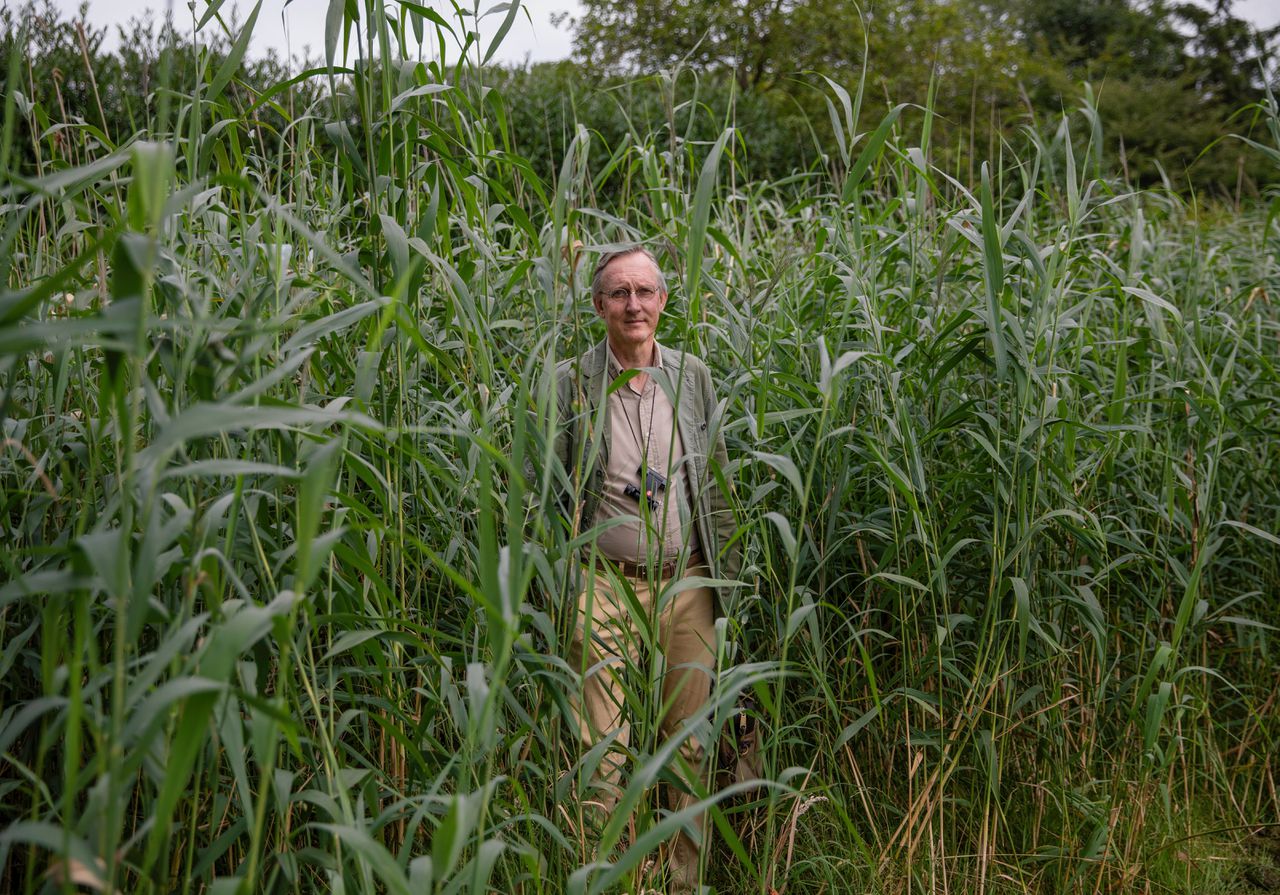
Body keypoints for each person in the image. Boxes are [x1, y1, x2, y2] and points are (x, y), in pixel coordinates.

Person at [549, 245, 741, 893]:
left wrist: (729, 586)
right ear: (599, 305)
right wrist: (560, 581)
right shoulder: (569, 381)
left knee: (688, 745)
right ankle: (603, 880)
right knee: (598, 749)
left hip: (687, 582)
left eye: (646, 291)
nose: (634, 304)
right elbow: (547, 487)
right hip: (601, 583)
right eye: (619, 293)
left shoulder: (693, 376)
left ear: (663, 300)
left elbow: (714, 484)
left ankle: (682, 884)